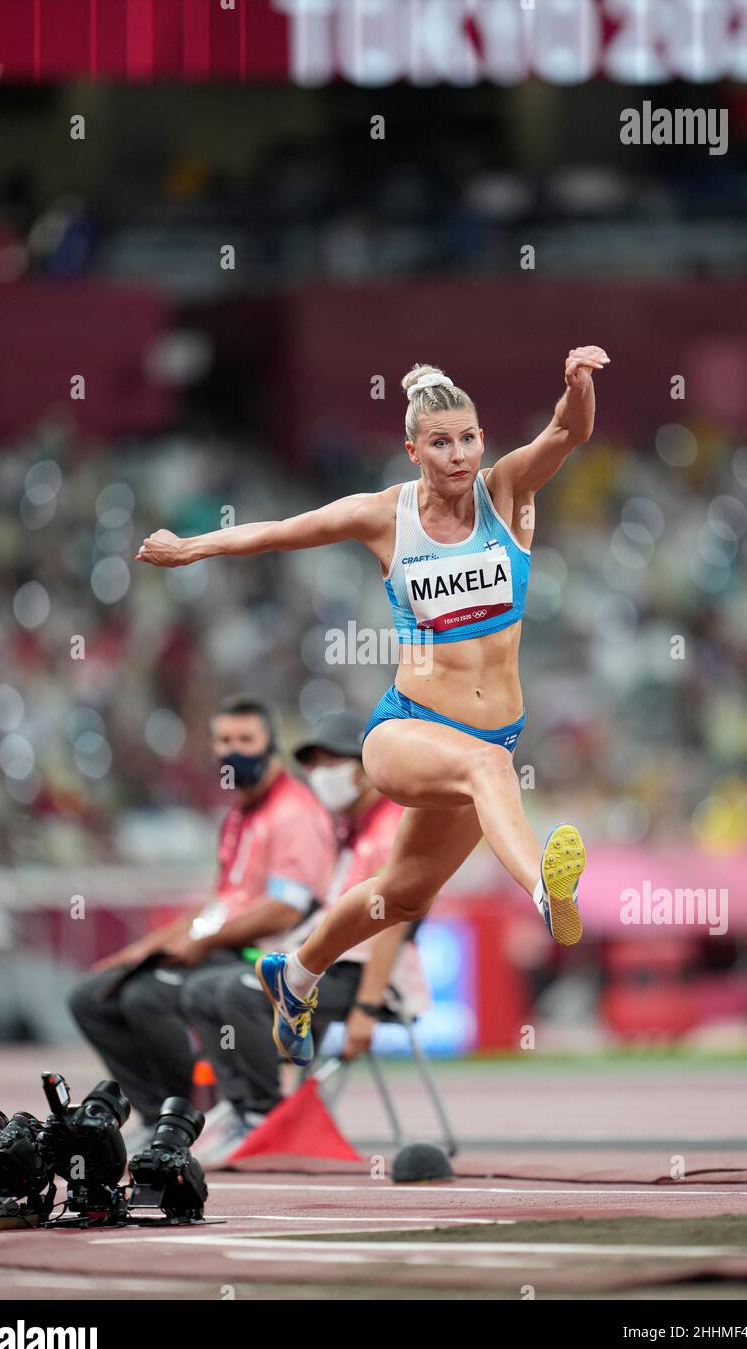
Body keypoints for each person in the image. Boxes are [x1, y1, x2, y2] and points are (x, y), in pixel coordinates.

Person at [136, 347, 610, 1065]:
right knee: (488, 770)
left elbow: (568, 433)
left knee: (404, 892)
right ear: (412, 448)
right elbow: (277, 531)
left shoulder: (505, 491)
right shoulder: (384, 517)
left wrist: (577, 385)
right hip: (408, 731)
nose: (459, 454)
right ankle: (548, 894)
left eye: (470, 437)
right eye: (442, 442)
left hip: (493, 734)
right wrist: (189, 547)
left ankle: (293, 975)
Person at [68, 695, 336, 1141]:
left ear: (271, 744)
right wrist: (147, 947)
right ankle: (158, 1118)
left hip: (265, 955)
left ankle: (185, 1117)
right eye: (224, 740)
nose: (234, 749)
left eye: (246, 739)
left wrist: (201, 943)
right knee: (92, 998)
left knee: (144, 996)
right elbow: (221, 901)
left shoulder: (294, 812)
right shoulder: (239, 815)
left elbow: (287, 908)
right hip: (220, 944)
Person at [183, 711, 412, 1164]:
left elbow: (394, 925)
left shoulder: (390, 829)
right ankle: (247, 1110)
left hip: (366, 975)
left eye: (333, 762)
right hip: (320, 963)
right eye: (313, 765)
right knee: (202, 989)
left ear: (365, 766)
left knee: (237, 991)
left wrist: (366, 1007)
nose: (319, 775)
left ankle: (270, 1119)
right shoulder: (349, 829)